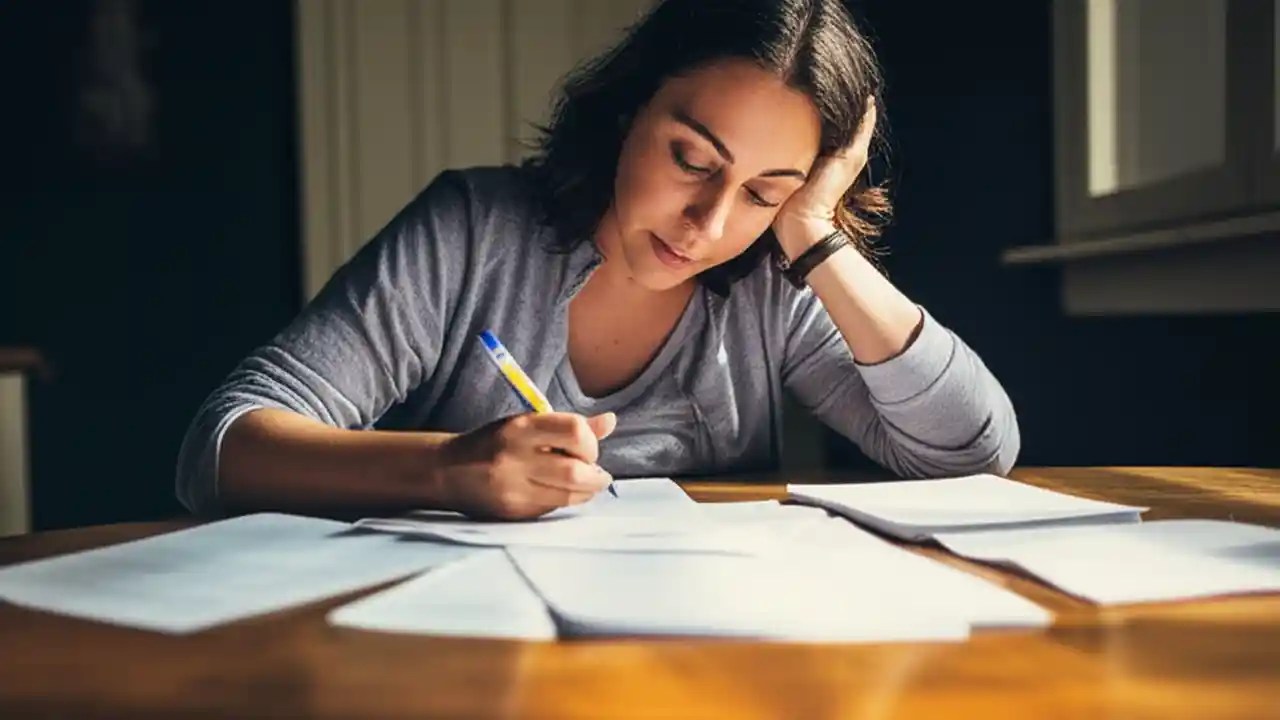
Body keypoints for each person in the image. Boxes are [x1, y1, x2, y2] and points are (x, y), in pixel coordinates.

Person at [176, 0, 1019, 520]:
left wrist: (813, 234)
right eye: (692, 160)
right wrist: (443, 468)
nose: (708, 223)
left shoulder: (774, 278)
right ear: (627, 111)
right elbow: (222, 450)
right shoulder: (473, 232)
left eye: (764, 192)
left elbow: (971, 453)